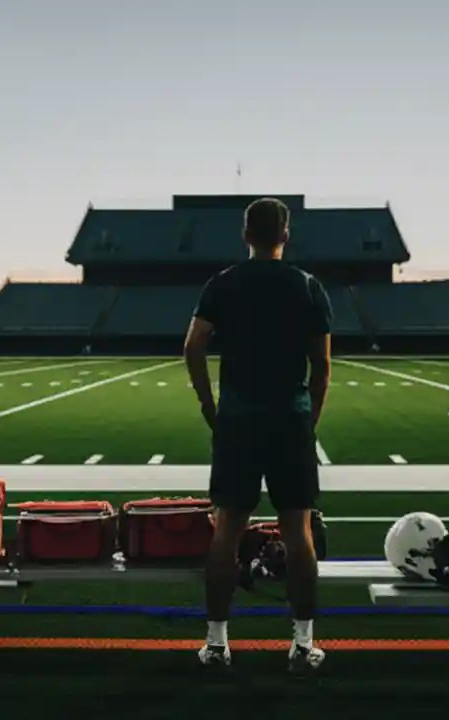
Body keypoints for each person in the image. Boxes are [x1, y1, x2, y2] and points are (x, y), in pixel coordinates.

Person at [182, 197, 333, 675]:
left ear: (246, 235)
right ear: (284, 235)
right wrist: (309, 417)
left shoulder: (223, 283)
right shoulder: (308, 286)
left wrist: (210, 406)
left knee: (226, 530)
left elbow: (193, 347)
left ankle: (217, 644)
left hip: (239, 420)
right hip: (289, 419)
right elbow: (322, 365)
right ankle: (304, 645)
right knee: (299, 533)